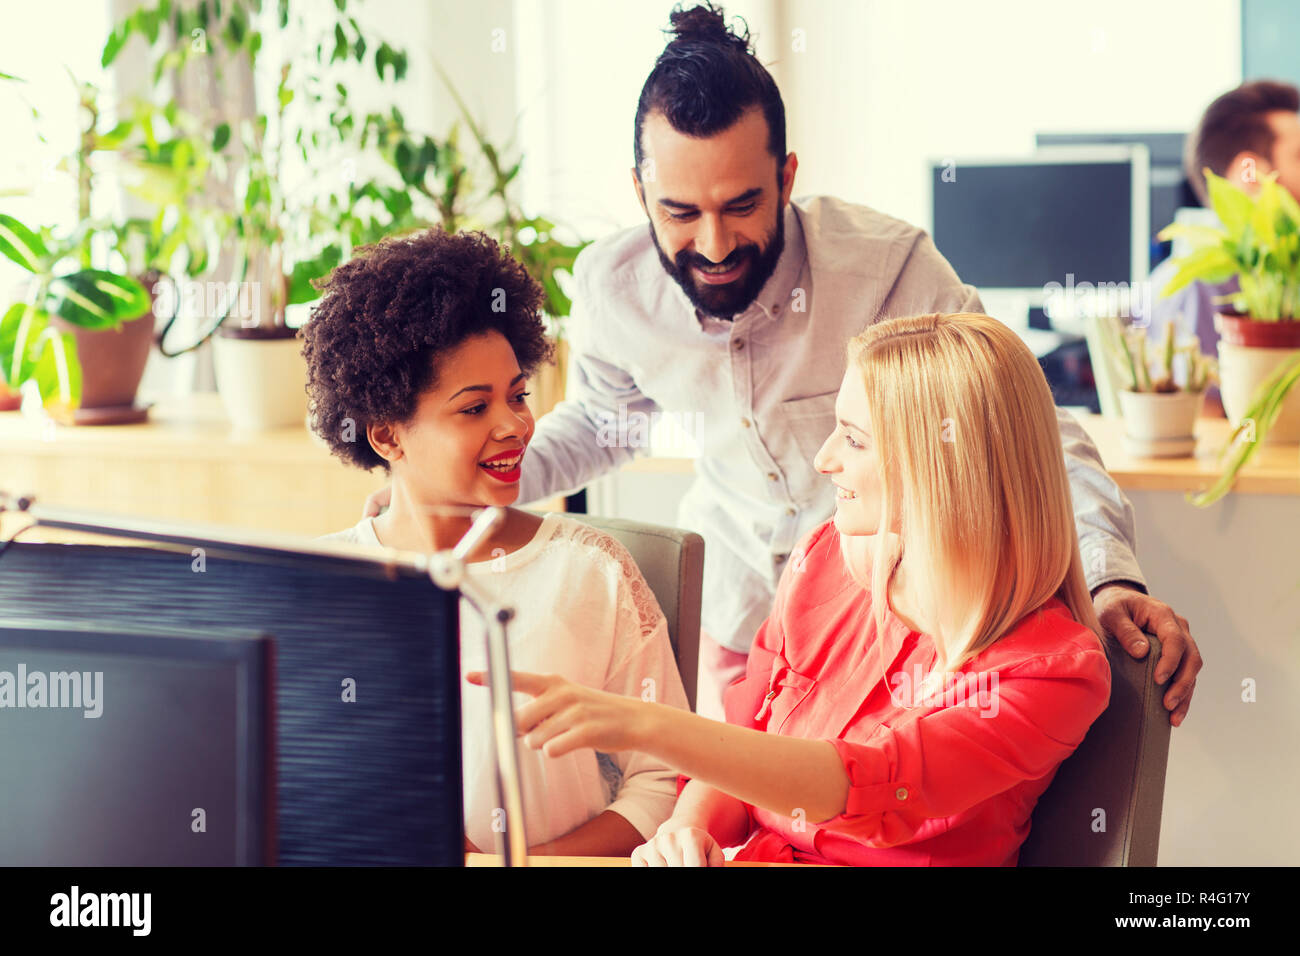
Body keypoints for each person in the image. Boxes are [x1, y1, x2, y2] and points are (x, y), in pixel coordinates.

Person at [367, 2, 1202, 728]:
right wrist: (448, 480)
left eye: (742, 205)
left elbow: (1028, 425)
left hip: (887, 617)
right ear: (638, 192)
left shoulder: (887, 269)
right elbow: (603, 422)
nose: (715, 244)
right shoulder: (612, 286)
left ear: (787, 176)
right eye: (680, 213)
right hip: (739, 620)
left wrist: (1106, 576)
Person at [486, 312, 1111, 866]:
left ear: (942, 467)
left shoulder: (1053, 673)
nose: (823, 459)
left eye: (855, 439)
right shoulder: (826, 561)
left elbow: (868, 784)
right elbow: (748, 741)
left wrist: (648, 727)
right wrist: (688, 829)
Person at [304, 228, 690, 856]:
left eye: (517, 396)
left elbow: (665, 778)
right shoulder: (321, 583)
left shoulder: (591, 574)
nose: (514, 426)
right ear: (388, 437)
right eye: (473, 408)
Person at [1149, 79, 1300, 411]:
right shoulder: (1201, 281)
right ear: (1249, 174)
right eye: (1299, 157)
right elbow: (1204, 423)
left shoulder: (1281, 265)